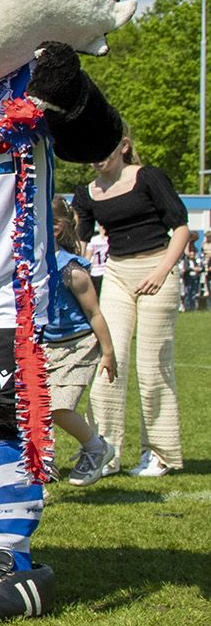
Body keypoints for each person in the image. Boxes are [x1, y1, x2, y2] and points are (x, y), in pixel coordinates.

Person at [73, 135, 191, 477]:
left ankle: (159, 453)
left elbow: (180, 229)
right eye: (91, 154)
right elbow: (82, 239)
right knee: (110, 359)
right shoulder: (87, 193)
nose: (97, 160)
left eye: (103, 152)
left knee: (153, 364)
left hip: (158, 267)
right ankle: (104, 450)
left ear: (123, 146)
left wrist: (162, 271)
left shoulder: (148, 177)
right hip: (118, 273)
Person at [43, 203, 119, 486]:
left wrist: (108, 352)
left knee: (58, 407)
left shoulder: (71, 270)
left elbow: (94, 312)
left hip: (77, 346)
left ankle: (97, 448)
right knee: (35, 408)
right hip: (44, 347)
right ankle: (43, 465)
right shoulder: (28, 264)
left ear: (56, 228)